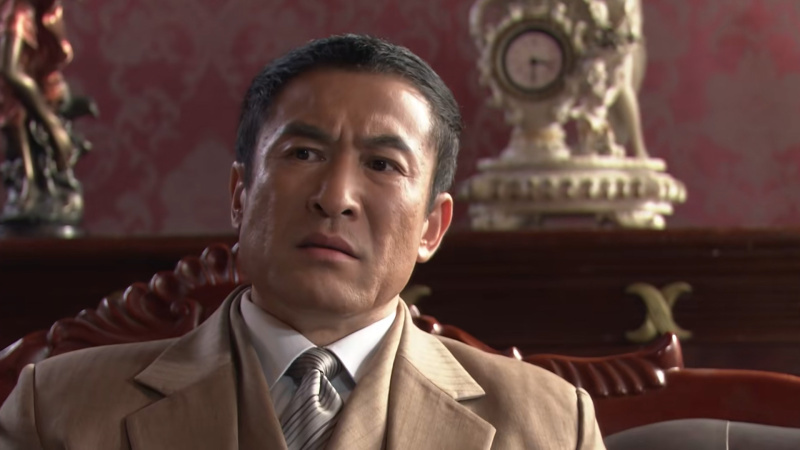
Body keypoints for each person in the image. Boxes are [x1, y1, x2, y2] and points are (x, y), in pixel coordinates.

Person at [0, 34, 605, 449]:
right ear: (240, 195)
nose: (335, 196)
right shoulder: (58, 408)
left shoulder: (549, 424)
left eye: (383, 165)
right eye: (304, 154)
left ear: (431, 227)